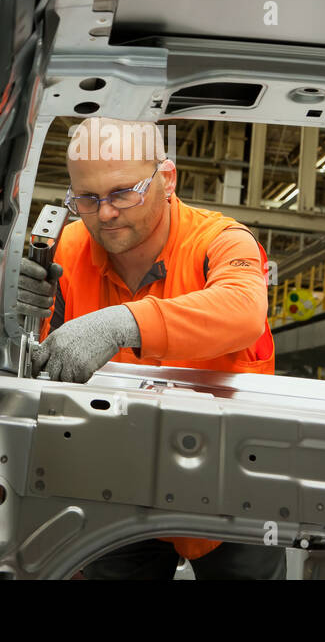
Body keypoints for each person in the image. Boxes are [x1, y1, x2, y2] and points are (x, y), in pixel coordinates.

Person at [16, 117, 283, 579]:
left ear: (168, 178)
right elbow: (39, 357)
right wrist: (9, 305)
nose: (105, 214)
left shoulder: (220, 241)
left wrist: (125, 321)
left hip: (231, 486)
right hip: (116, 478)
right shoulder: (68, 246)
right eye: (87, 199)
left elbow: (243, 310)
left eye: (123, 193)